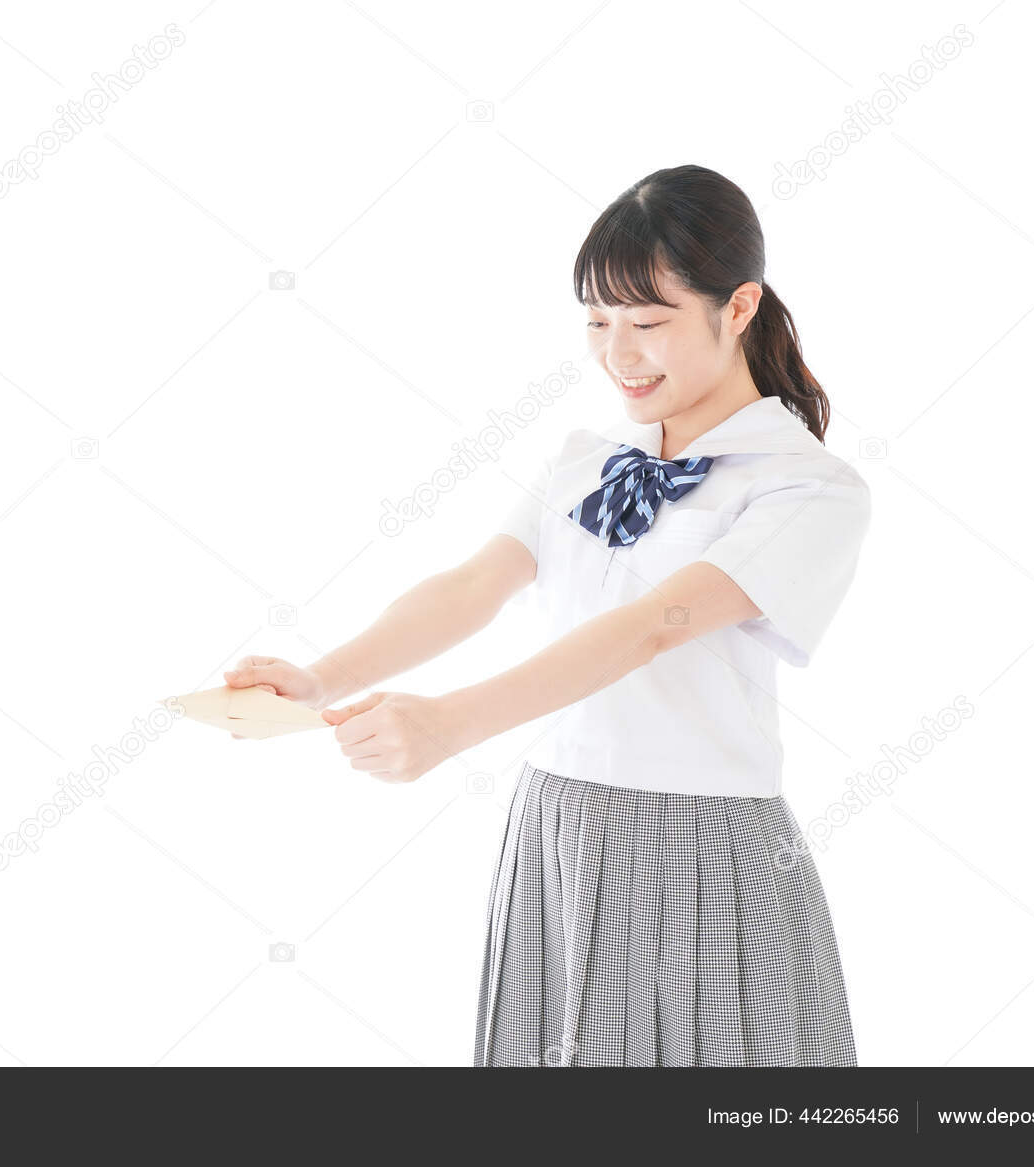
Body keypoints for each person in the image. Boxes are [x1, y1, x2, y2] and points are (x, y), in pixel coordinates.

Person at [223, 164, 870, 1067]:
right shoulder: (588, 456)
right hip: (559, 825)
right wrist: (322, 676)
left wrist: (449, 722)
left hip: (705, 841)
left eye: (649, 323)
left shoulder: (806, 486)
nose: (620, 354)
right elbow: (473, 584)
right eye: (599, 324)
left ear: (739, 307)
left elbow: (654, 624)